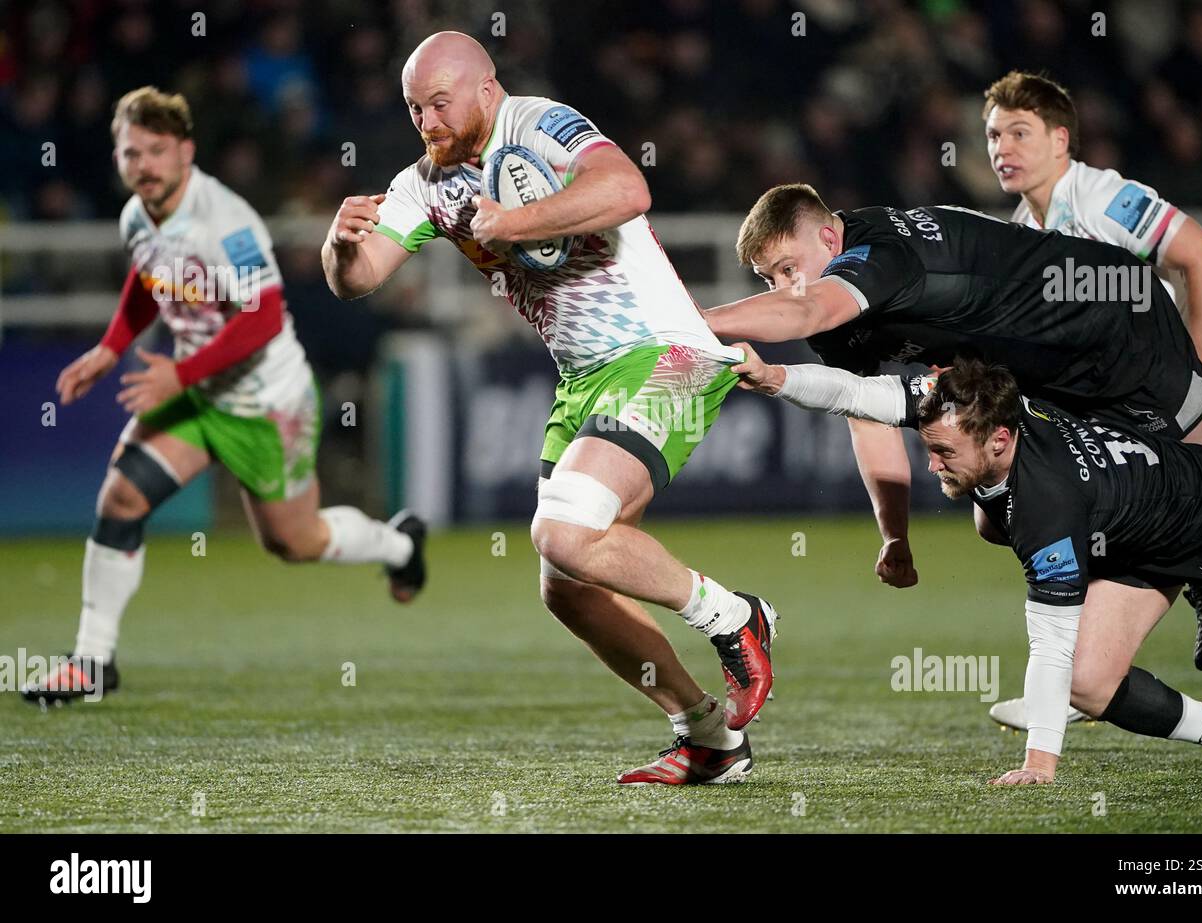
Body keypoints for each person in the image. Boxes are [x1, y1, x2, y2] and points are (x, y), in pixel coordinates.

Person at [320, 32, 777, 785]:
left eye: (440, 102)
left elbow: (629, 190)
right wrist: (341, 247)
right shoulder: (425, 182)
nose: (427, 121)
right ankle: (707, 736)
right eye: (414, 108)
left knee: (564, 530)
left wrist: (515, 223)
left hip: (666, 353)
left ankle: (734, 616)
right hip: (586, 378)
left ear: (486, 92)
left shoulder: (538, 123)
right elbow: (361, 276)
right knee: (564, 584)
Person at [22, 87, 426, 705]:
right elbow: (146, 274)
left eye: (157, 151)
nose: (144, 166)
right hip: (195, 388)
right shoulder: (139, 215)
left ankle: (400, 543)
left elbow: (262, 317)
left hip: (267, 402)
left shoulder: (225, 220)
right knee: (123, 495)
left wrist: (178, 377)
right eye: (132, 153)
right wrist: (110, 348)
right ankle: (93, 660)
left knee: (294, 543)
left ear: (185, 151)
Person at [730, 346, 1202, 782]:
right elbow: (854, 394)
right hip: (1136, 536)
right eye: (929, 448)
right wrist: (774, 377)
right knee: (1089, 683)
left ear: (1001, 441)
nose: (932, 466)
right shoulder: (967, 405)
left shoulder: (1041, 508)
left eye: (944, 453)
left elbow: (1050, 642)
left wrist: (1039, 763)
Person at [704, 185, 1202, 590]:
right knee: (999, 516)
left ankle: (1197, 572)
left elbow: (803, 313)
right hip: (1046, 372)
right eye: (770, 278)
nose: (784, 285)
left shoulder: (880, 255)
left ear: (829, 241)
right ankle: (1184, 578)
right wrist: (896, 535)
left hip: (1113, 323)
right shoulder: (842, 315)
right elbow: (867, 415)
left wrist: (693, 319)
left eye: (788, 269)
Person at [982, 73, 1202, 726]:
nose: (1003, 147)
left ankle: (1103, 659)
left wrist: (1191, 387)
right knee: (1065, 509)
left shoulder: (1103, 196)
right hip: (1138, 412)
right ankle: (1088, 671)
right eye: (994, 135)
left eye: (1019, 132)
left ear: (1061, 140)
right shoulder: (1024, 229)